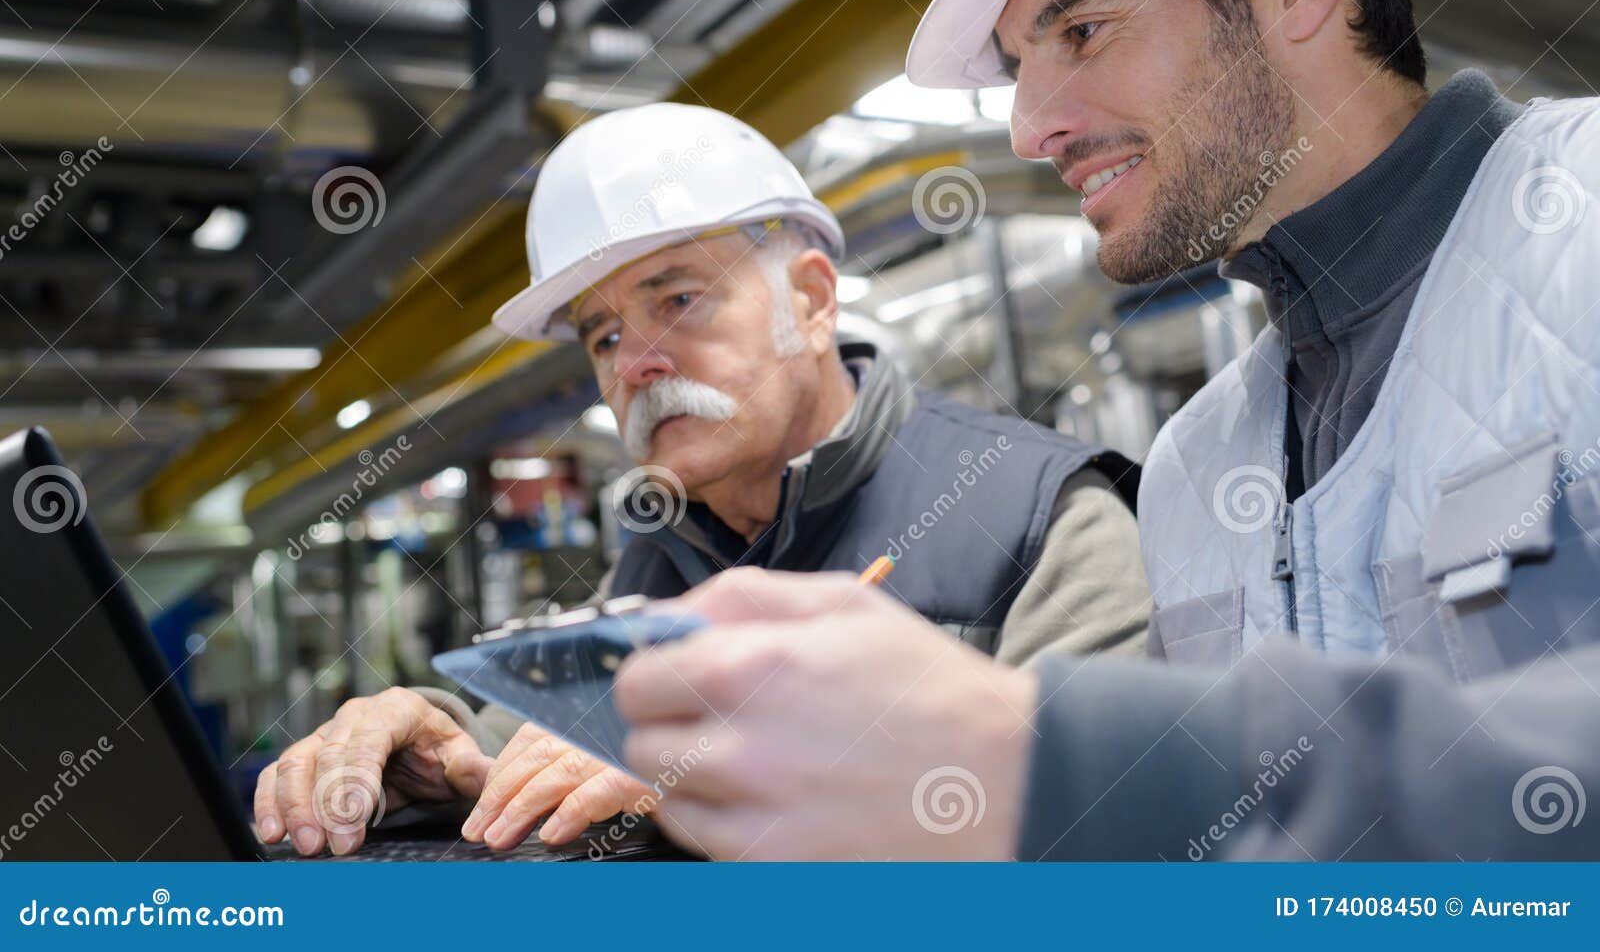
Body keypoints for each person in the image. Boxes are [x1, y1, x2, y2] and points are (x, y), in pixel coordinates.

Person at [612, 0, 1600, 860]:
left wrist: (1060, 756)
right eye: (1021, 63)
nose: (1031, 127)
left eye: (1080, 30)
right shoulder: (1191, 471)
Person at [252, 103, 1149, 857]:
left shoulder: (1036, 516)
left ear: (811, 299)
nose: (635, 362)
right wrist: (444, 746)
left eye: (677, 299)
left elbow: (1112, 854)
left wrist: (747, 770)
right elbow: (570, 747)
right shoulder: (660, 553)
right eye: (602, 334)